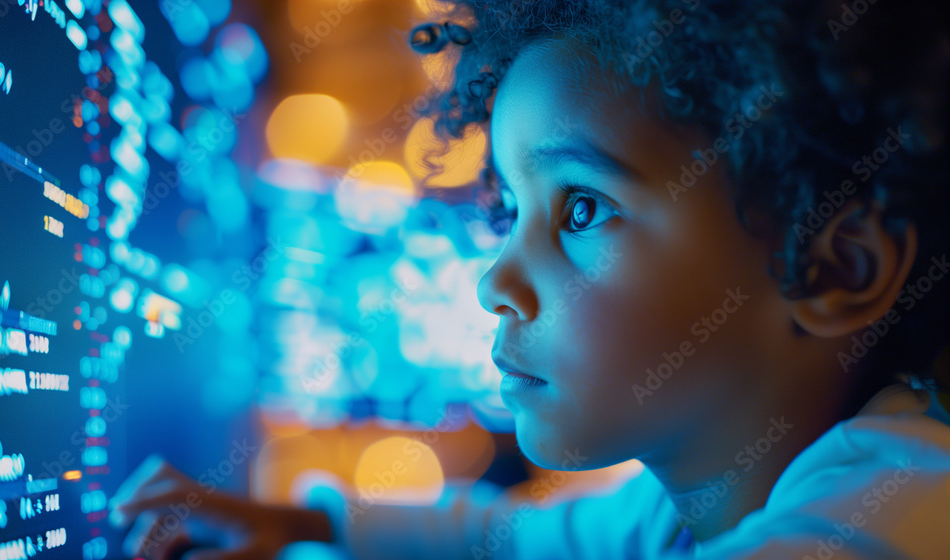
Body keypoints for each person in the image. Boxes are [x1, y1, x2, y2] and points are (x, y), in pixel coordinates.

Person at [109, 0, 950, 558]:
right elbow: (506, 543)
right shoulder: (688, 505)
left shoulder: (897, 507)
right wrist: (309, 521)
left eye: (580, 209)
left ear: (836, 267)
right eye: (510, 210)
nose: (493, 281)